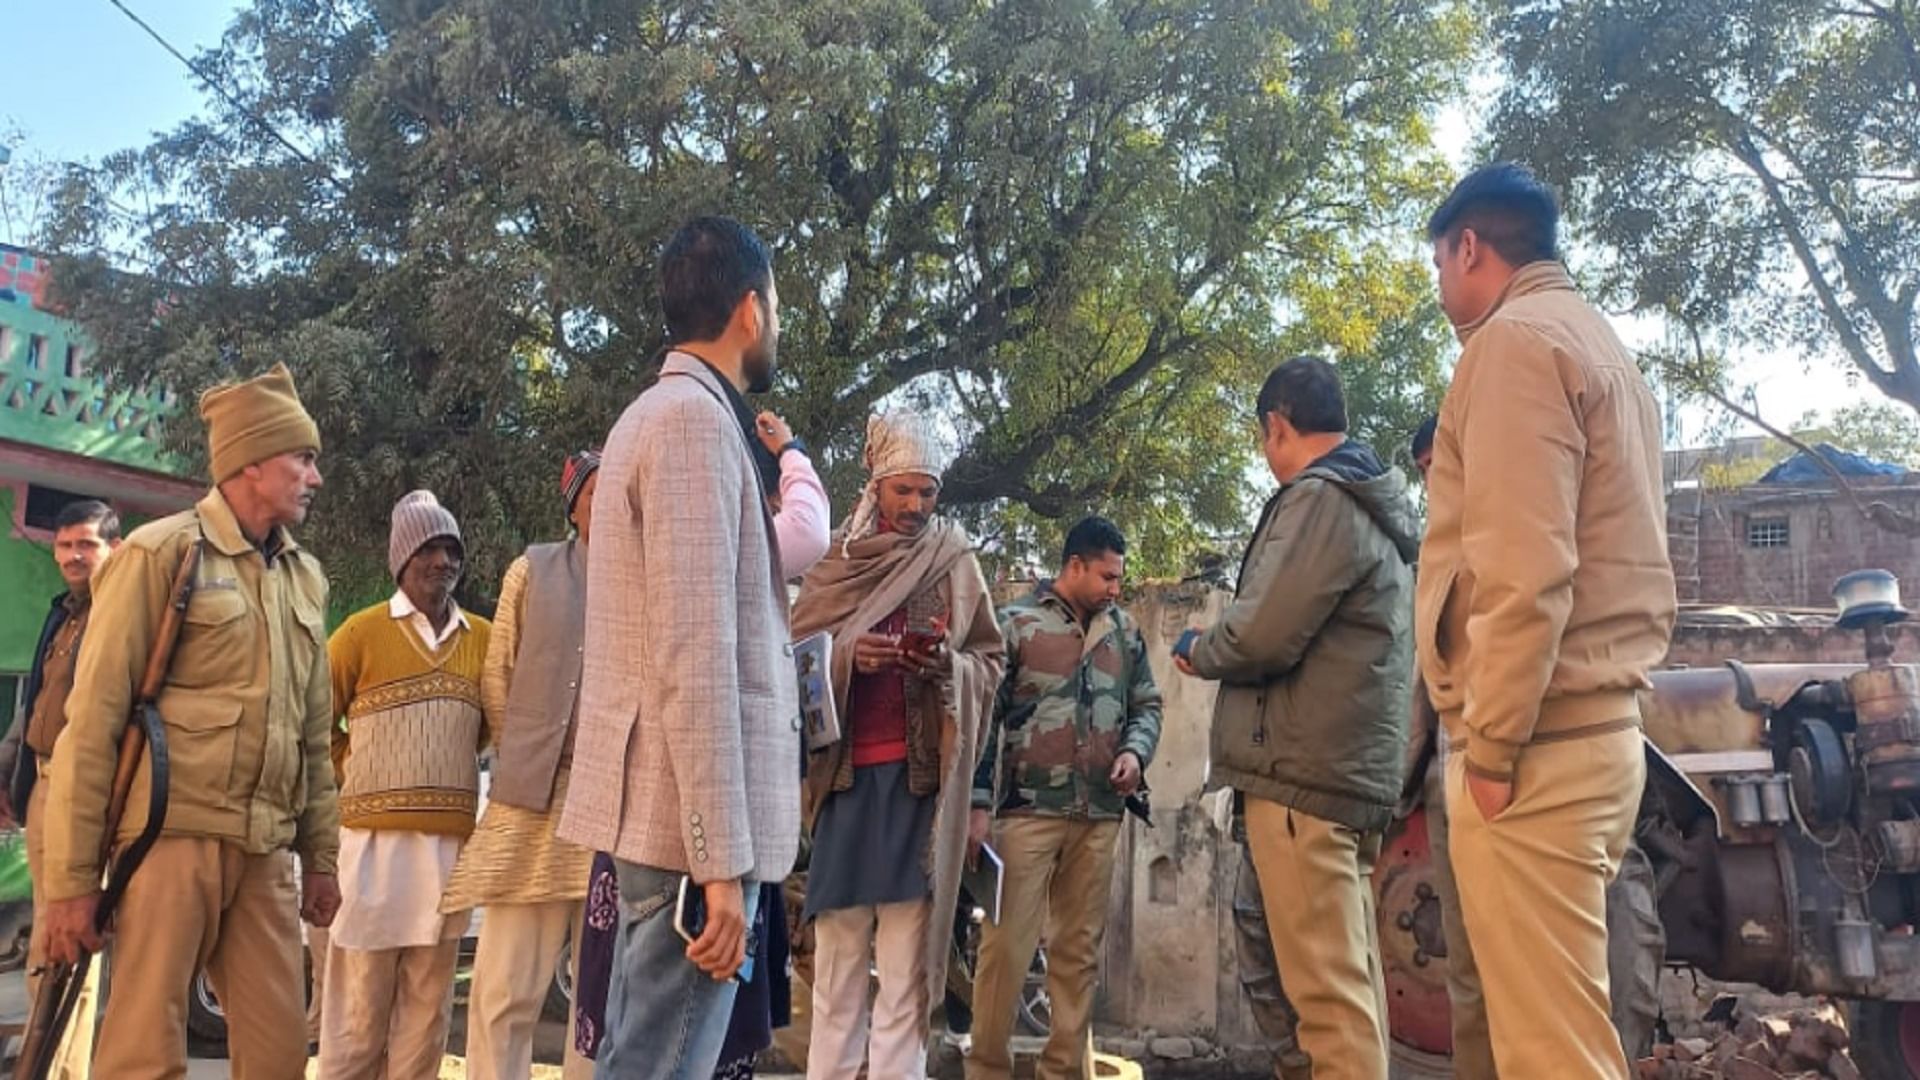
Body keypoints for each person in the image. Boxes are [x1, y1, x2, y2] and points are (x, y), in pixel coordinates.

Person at [1419, 162, 1674, 1080]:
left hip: (1534, 754)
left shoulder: (1513, 344)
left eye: (1439, 263)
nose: (1441, 285)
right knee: (1561, 1035)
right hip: (1594, 735)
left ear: (1470, 247)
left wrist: (1488, 750)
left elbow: (1524, 574)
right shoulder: (1598, 344)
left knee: (1552, 1058)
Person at [42, 363, 341, 1078]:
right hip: (167, 842)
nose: (315, 477)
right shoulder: (160, 553)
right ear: (251, 462)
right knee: (142, 1053)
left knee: (278, 1057)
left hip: (264, 852)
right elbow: (93, 722)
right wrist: (72, 882)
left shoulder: (305, 576)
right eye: (303, 459)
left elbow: (312, 735)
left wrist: (321, 856)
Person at [557, 216, 803, 1080]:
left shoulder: (654, 417)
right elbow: (695, 659)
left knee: (638, 1056)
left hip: (664, 823)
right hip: (683, 834)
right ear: (749, 308)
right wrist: (719, 866)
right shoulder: (694, 426)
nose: (776, 322)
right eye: (776, 305)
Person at [1174, 356, 1420, 1080]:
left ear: (1276, 425)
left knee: (1325, 1003)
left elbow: (1261, 633)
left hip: (1301, 781)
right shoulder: (1372, 501)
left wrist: (1201, 647)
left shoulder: (1318, 499)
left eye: (1263, 438)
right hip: (1342, 773)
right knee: (1349, 988)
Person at [570, 410, 832, 1079]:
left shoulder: (638, 529)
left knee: (640, 1039)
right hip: (691, 828)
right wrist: (792, 451)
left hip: (660, 820)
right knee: (660, 1051)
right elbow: (805, 531)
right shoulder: (700, 527)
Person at [789, 409, 1004, 1080]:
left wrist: (948, 668)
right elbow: (790, 659)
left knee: (909, 965)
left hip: (921, 793)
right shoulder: (833, 561)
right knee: (840, 957)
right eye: (903, 490)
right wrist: (854, 657)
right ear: (875, 486)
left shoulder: (955, 558)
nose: (915, 506)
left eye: (928, 492)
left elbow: (991, 660)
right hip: (846, 784)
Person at [967, 515, 1162, 1080]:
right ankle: (986, 1070)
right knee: (1005, 952)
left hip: (1099, 815)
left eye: (1118, 578)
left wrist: (1136, 753)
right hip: (1027, 814)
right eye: (1106, 576)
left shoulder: (1124, 634)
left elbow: (1148, 705)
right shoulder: (1017, 624)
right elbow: (985, 720)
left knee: (1077, 957)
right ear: (1074, 566)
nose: (1114, 588)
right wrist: (978, 804)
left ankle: (1064, 1072)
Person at [441, 451, 602, 1080]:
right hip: (531, 806)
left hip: (610, 810)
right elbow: (498, 675)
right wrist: (534, 756)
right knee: (506, 986)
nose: (611, 499)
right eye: (597, 489)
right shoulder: (531, 570)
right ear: (574, 504)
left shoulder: (648, 575)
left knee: (600, 994)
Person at [320, 490, 490, 1078]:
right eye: (429, 548)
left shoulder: (485, 639)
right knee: (358, 1016)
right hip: (369, 856)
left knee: (428, 1016)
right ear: (401, 559)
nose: (443, 560)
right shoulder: (359, 633)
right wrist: (358, 773)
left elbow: (492, 729)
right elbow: (312, 726)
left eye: (452, 549)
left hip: (449, 857)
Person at [0, 499, 121, 1079]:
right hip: (43, 782)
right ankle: (39, 1061)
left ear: (114, 550)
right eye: (65, 544)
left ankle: (60, 1072)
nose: (73, 555)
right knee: (49, 929)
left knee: (73, 932)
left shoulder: (121, 616)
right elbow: (37, 706)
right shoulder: (62, 613)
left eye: (87, 545)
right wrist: (8, 768)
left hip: (86, 790)